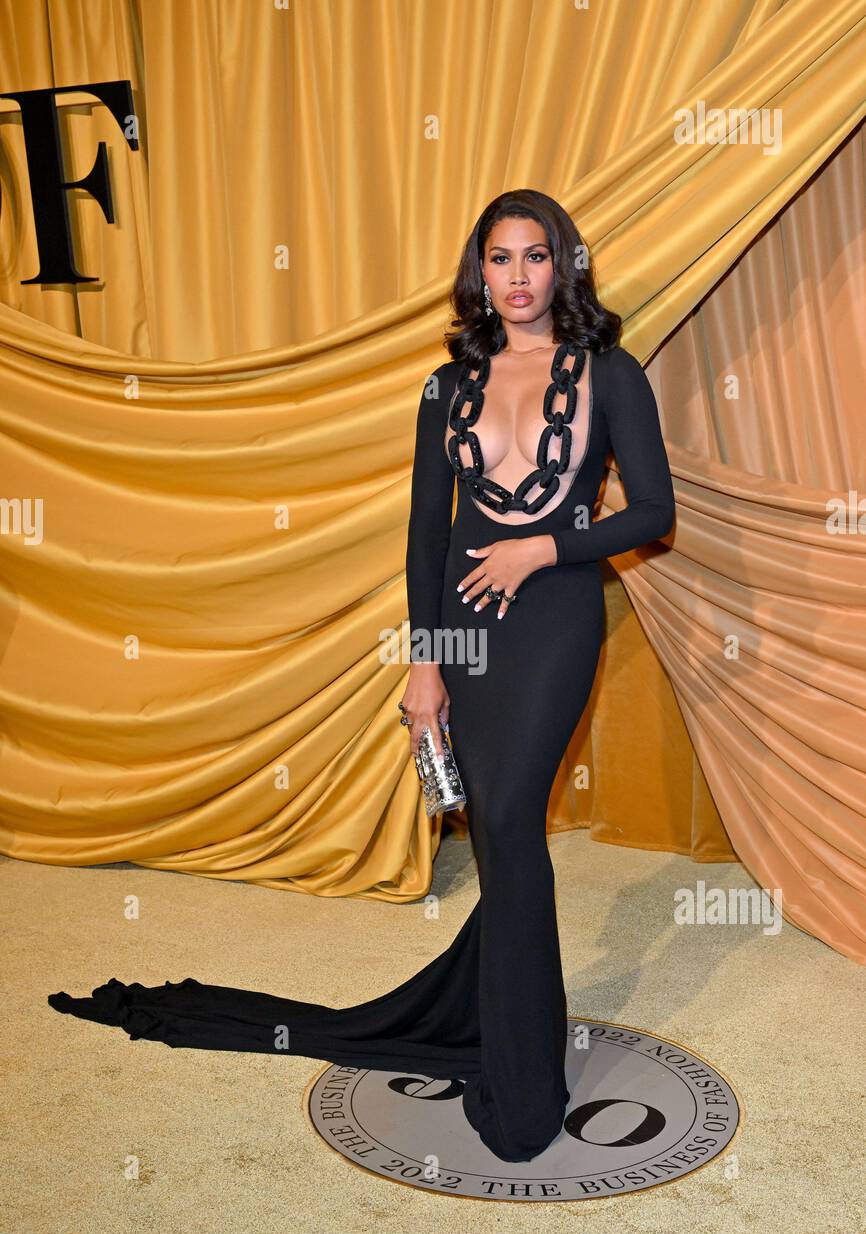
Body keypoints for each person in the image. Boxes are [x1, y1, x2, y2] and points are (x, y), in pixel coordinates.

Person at [47, 188, 675, 1166]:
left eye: (534, 257)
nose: (516, 278)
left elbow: (652, 514)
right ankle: (506, 1034)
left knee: (509, 819)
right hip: (461, 631)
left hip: (551, 619)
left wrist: (545, 547)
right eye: (498, 259)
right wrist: (422, 663)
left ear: (565, 266)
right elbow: (427, 533)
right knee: (501, 838)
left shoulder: (610, 372)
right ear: (480, 272)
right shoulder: (447, 383)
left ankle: (522, 1091)